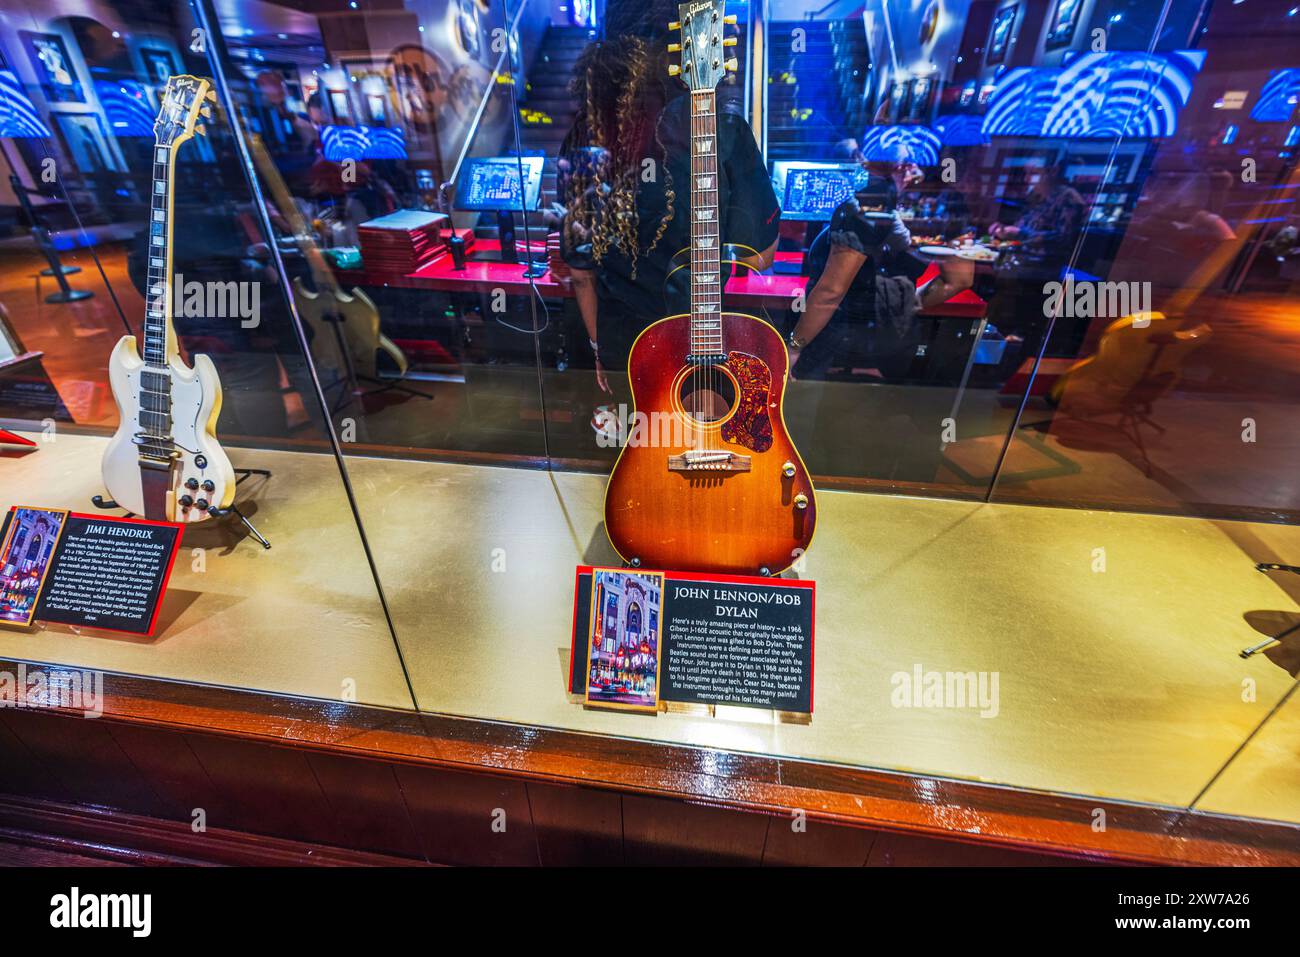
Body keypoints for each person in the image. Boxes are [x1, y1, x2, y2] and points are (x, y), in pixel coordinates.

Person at [559, 31, 780, 396]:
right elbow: (760, 255)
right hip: (700, 345)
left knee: (640, 443)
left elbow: (582, 275)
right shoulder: (723, 131)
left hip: (624, 346)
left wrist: (601, 349)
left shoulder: (582, 145)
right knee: (701, 442)